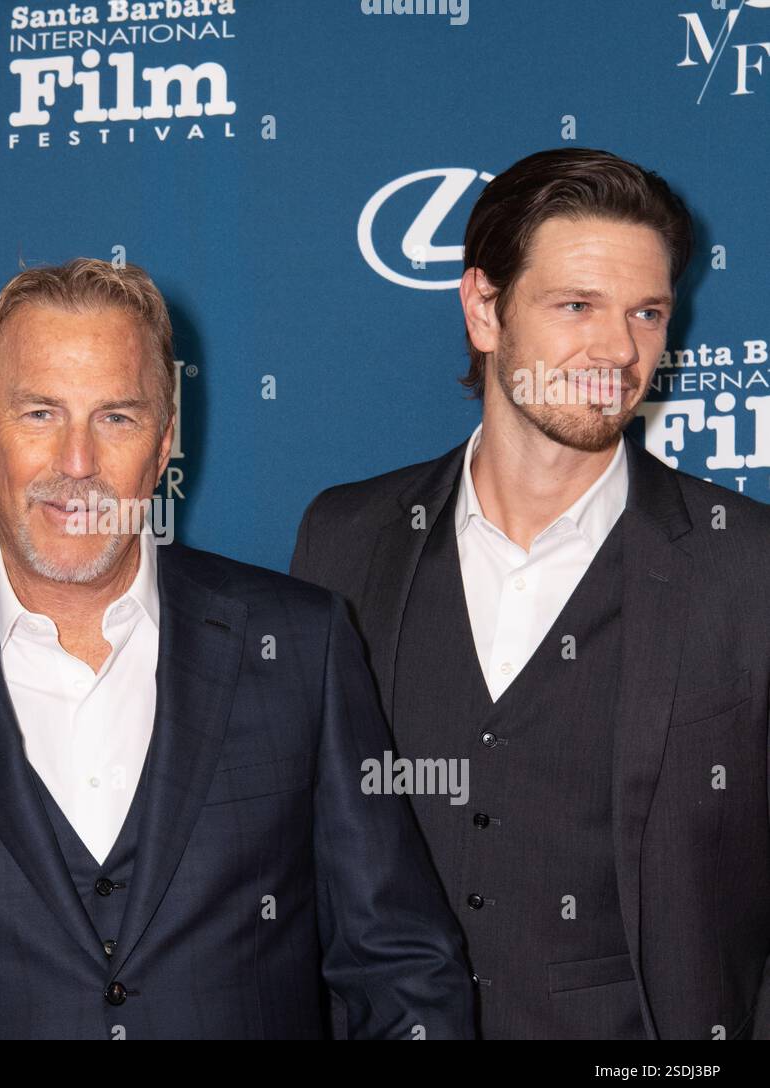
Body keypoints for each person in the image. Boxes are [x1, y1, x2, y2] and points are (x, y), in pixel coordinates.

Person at [0, 258, 474, 1039]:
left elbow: (402, 968)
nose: (77, 463)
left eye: (117, 418)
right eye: (39, 413)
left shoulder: (299, 643)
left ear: (166, 440)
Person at [292, 148, 770, 1040]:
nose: (619, 349)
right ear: (483, 309)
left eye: (647, 313)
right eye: (576, 305)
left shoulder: (747, 566)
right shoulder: (345, 537)